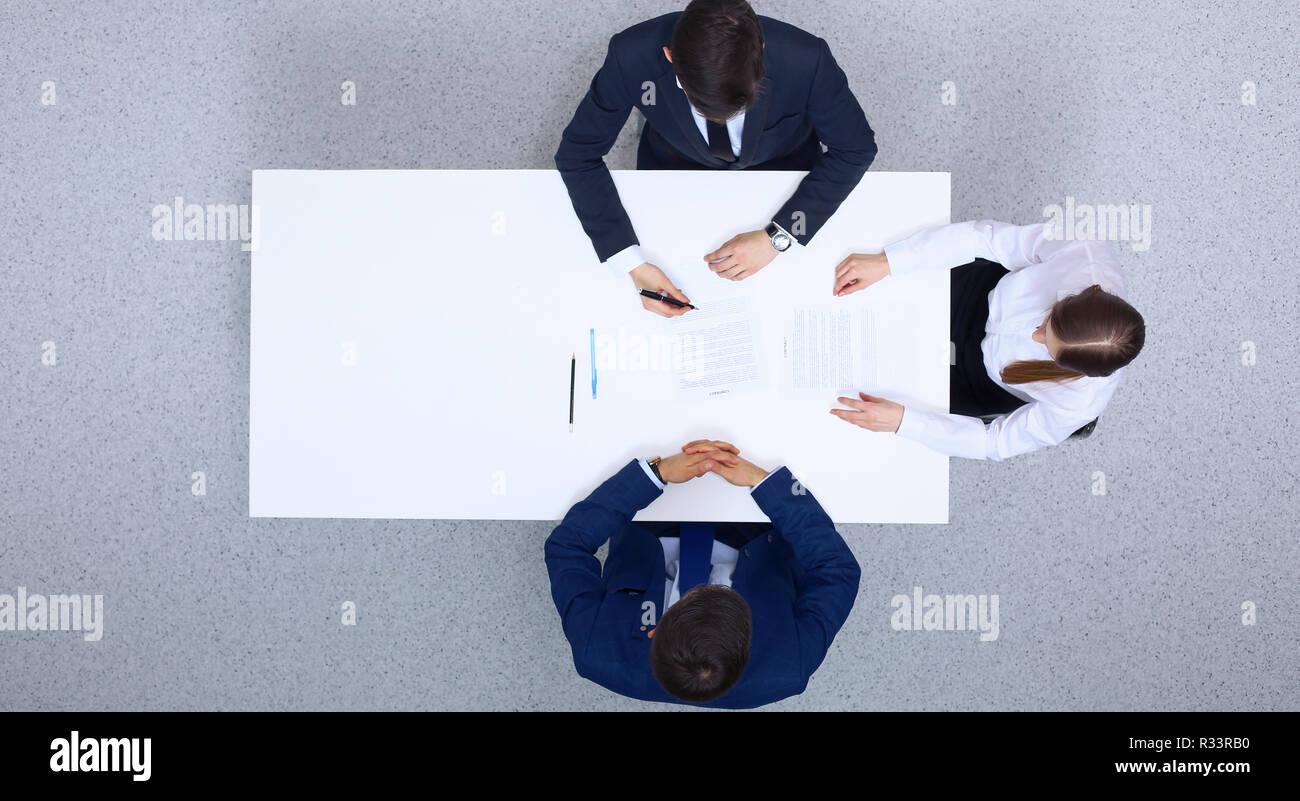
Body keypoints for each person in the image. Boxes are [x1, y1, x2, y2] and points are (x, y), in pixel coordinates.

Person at [554, 0, 877, 317]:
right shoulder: (631, 55)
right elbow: (577, 153)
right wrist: (630, 263)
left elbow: (855, 149)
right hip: (672, 174)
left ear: (762, 49)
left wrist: (779, 237)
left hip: (784, 179)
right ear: (669, 57)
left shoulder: (807, 59)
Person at [544, 440, 860, 708]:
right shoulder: (790, 665)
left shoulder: (595, 651)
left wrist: (656, 473)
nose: (705, 580)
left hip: (649, 524)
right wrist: (765, 483)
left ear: (654, 631)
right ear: (748, 637)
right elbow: (836, 569)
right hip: (760, 533)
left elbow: (568, 544)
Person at [828, 220, 1146, 461]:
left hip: (982, 379)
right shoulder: (1083, 253)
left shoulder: (1079, 404)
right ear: (1088, 292)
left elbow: (994, 442)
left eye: (1047, 350)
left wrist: (903, 422)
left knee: (866, 387)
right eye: (1047, 320)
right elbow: (986, 238)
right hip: (980, 296)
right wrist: (890, 261)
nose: (1034, 336)